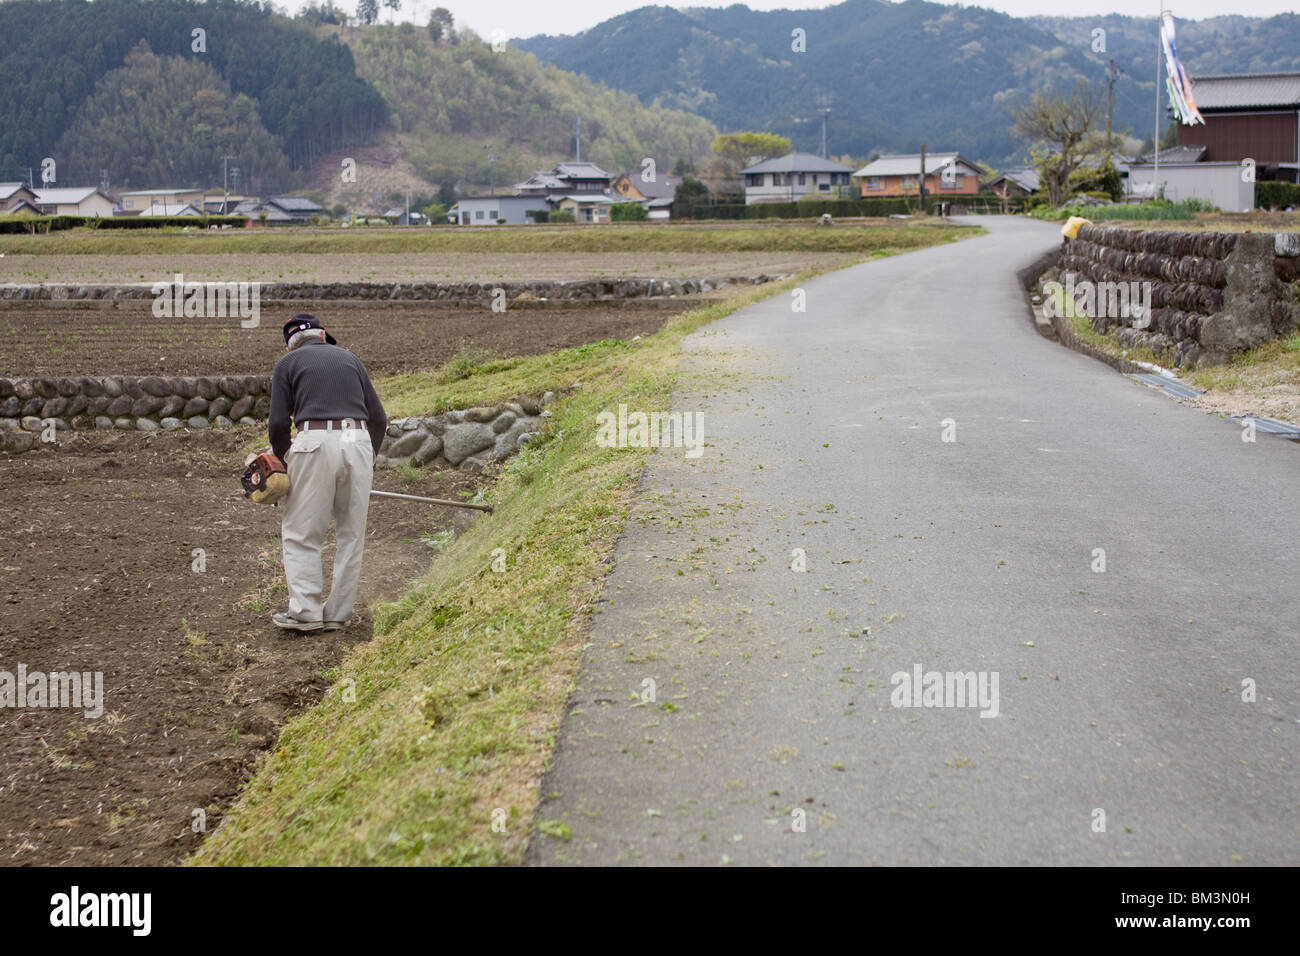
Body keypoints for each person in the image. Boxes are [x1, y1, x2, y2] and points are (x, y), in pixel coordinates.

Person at [266, 314, 387, 632]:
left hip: (314, 440)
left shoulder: (287, 364)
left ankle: (305, 612)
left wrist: (285, 460)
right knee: (351, 534)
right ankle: (336, 614)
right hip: (358, 440)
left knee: (302, 532)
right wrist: (367, 461)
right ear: (323, 336)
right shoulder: (350, 358)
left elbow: (278, 423)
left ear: (291, 345)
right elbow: (379, 418)